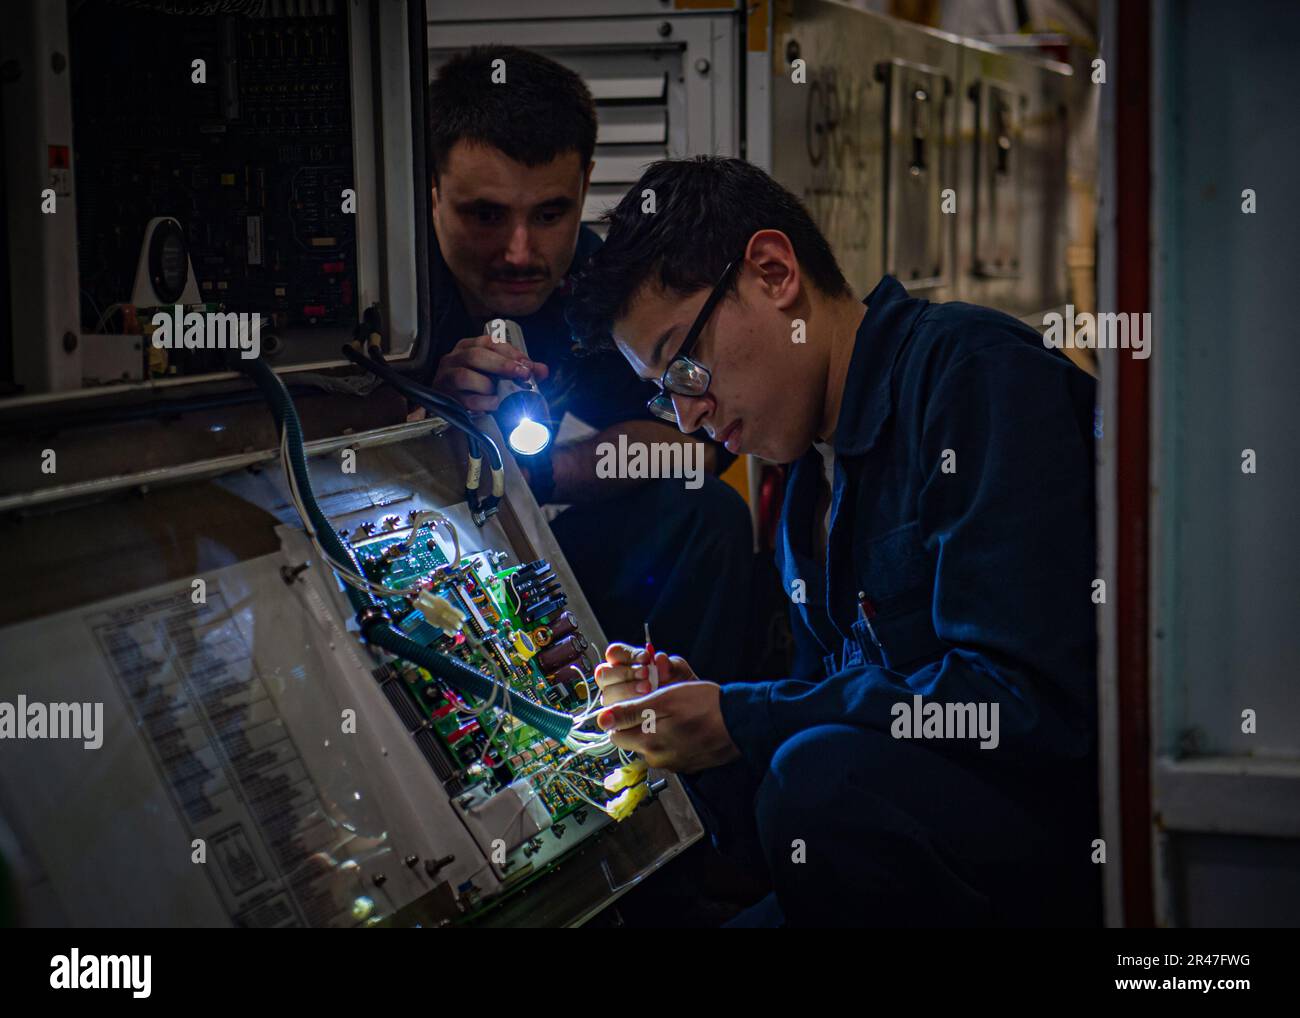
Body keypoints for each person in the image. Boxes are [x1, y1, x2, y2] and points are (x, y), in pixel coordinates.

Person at [571, 156, 1101, 927]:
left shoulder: (973, 377)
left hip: (1063, 859)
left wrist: (748, 716)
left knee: (817, 777)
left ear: (774, 272)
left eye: (683, 364)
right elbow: (791, 821)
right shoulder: (803, 480)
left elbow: (1022, 706)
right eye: (662, 392)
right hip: (907, 863)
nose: (685, 416)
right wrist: (701, 739)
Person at [421, 48, 752, 680]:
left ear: (585, 184)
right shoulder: (372, 294)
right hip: (385, 560)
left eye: (550, 214)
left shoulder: (594, 284)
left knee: (705, 514)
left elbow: (697, 447)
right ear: (430, 189)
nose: (520, 253)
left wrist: (541, 473)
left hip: (514, 549)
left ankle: (683, 744)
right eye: (485, 214)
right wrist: (420, 416)